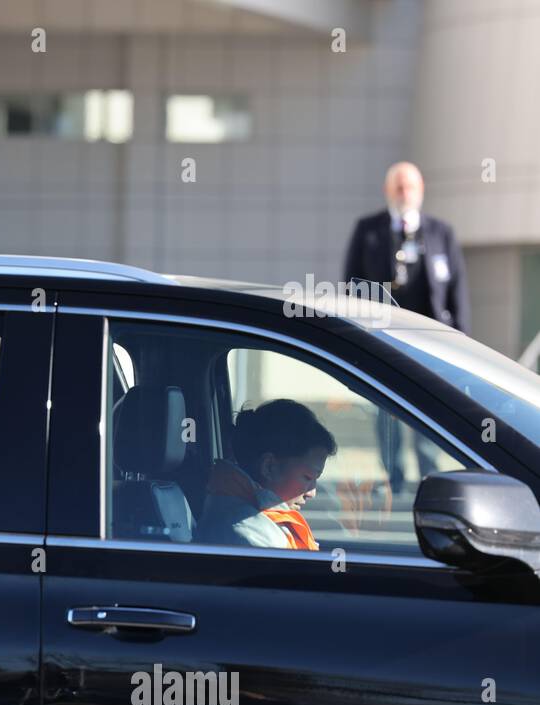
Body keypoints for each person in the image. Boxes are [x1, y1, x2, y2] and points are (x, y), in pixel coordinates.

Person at [342, 160, 468, 493]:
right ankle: (393, 476)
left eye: (409, 186)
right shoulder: (368, 230)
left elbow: (457, 293)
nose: (404, 192)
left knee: (430, 406)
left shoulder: (441, 233)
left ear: (421, 190)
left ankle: (431, 475)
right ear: (387, 191)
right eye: (398, 186)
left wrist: (462, 344)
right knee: (386, 407)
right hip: (382, 338)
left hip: (430, 340)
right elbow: (350, 284)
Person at [194, 399, 337, 550]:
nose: (312, 493)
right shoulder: (247, 534)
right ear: (269, 467)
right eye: (307, 477)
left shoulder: (253, 521)